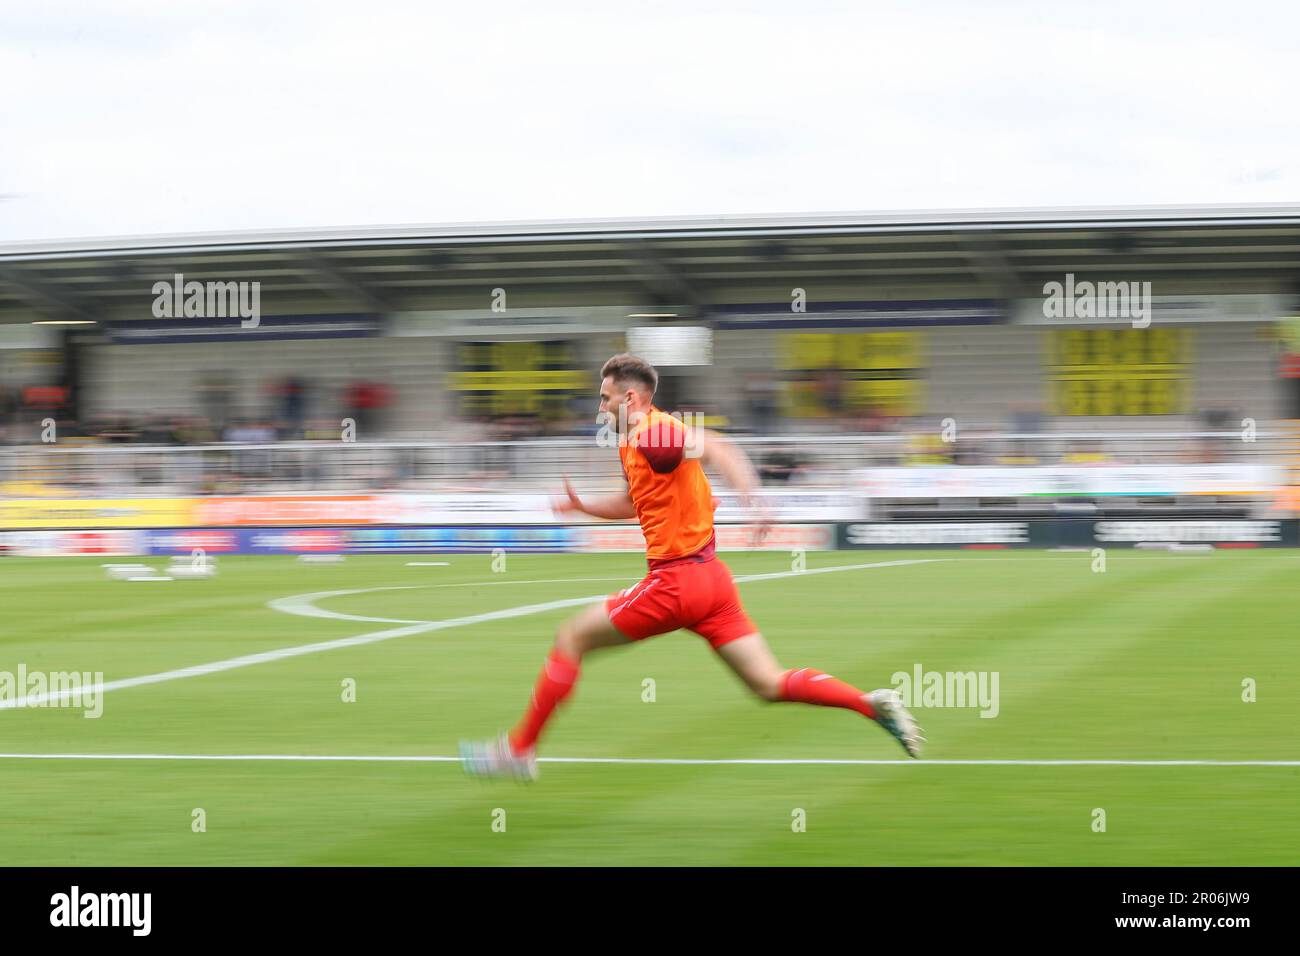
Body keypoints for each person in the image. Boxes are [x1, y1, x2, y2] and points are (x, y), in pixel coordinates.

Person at [460, 354, 923, 780]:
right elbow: (633, 502)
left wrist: (753, 498)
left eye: (604, 397)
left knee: (571, 638)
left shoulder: (651, 431)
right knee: (767, 682)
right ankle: (869, 705)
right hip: (712, 583)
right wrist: (584, 507)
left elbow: (720, 448)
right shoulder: (634, 442)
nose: (599, 407)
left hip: (675, 582)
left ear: (631, 397)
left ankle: (519, 751)